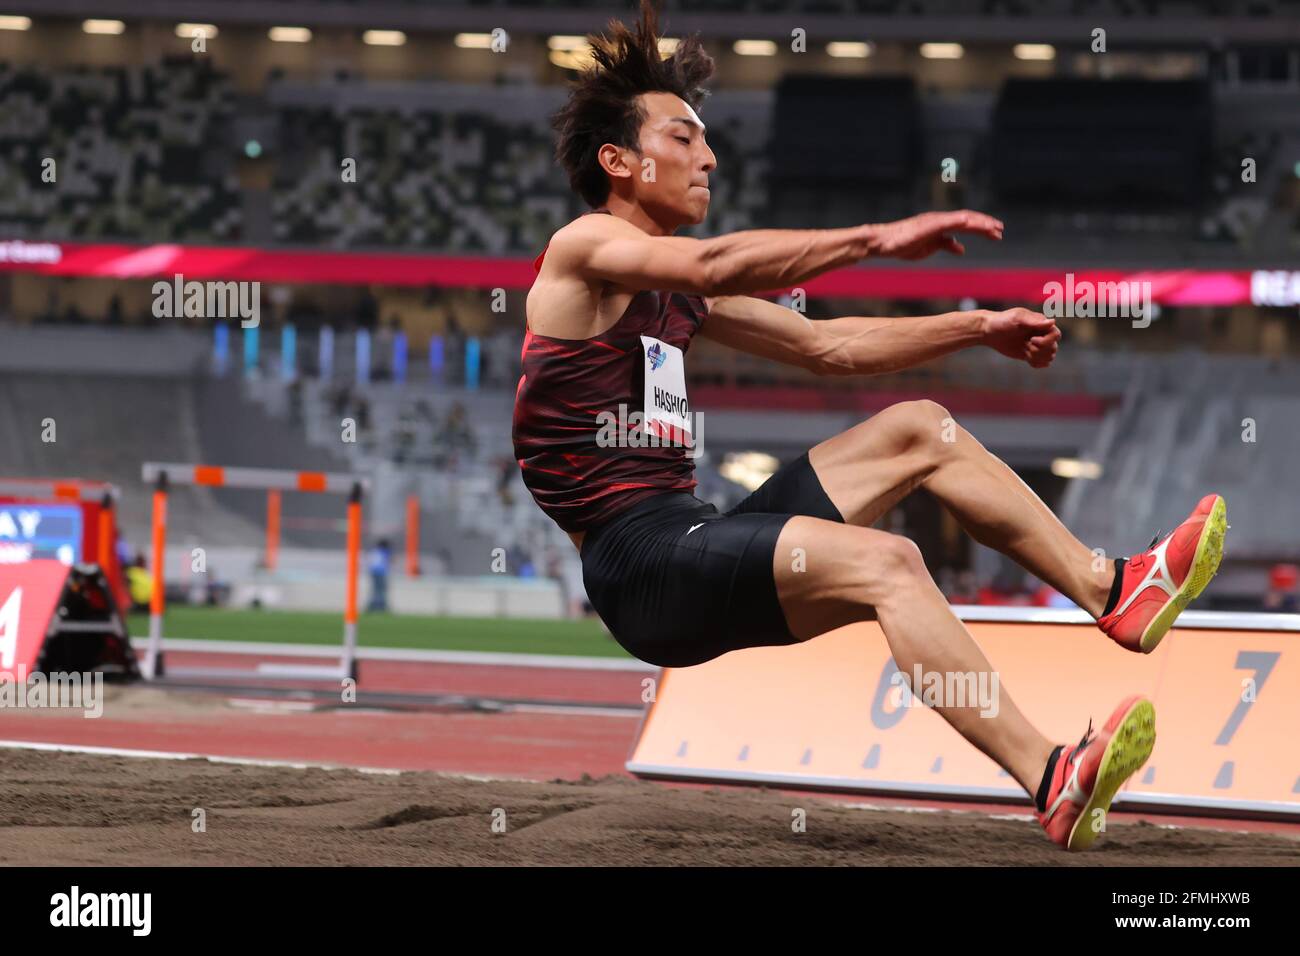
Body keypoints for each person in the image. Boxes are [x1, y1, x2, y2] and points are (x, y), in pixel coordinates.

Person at [511, 0, 1227, 850]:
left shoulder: (681, 292)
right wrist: (881, 237)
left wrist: (974, 326)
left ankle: (1115, 590)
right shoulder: (581, 252)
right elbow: (710, 259)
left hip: (697, 537)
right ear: (617, 162)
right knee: (893, 562)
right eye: (684, 138)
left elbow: (830, 346)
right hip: (640, 569)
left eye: (709, 141)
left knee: (922, 427)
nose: (708, 158)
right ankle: (1052, 776)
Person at [366, 538, 392, 612]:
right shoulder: (385, 551)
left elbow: (370, 561)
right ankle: (381, 606)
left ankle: (372, 605)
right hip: (380, 573)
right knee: (381, 590)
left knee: (375, 590)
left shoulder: (374, 551)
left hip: (373, 572)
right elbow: (389, 560)